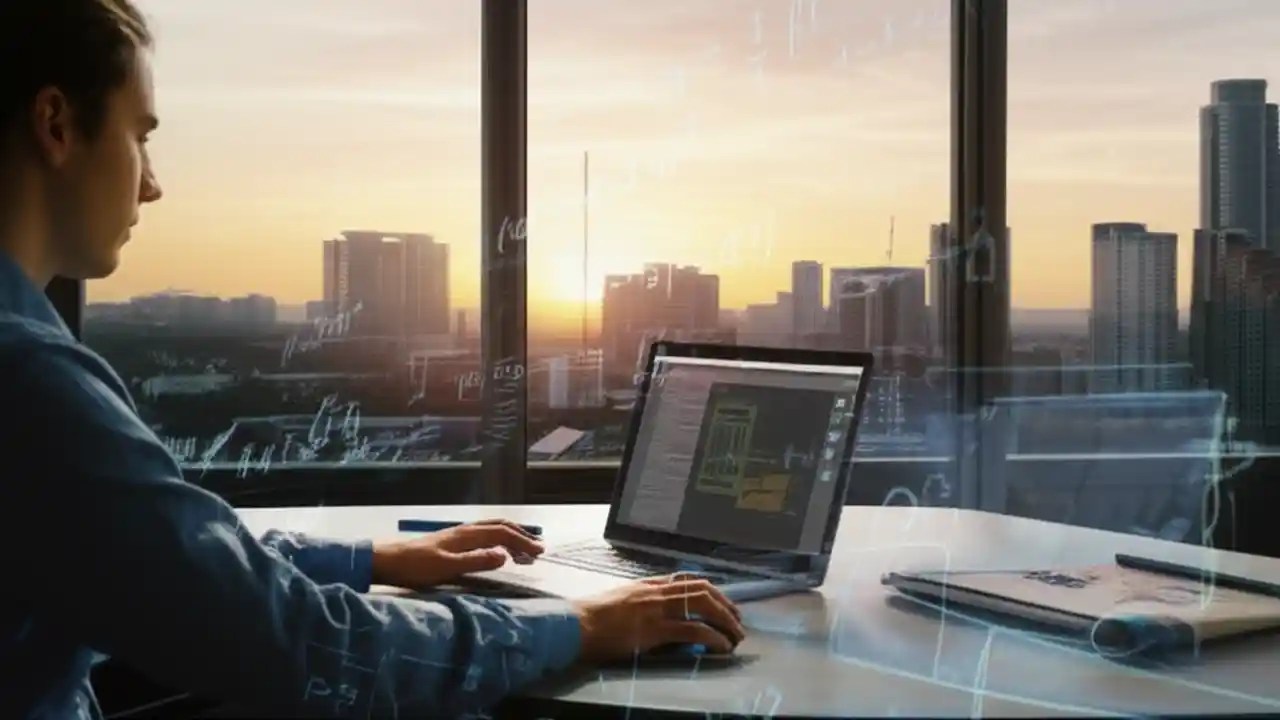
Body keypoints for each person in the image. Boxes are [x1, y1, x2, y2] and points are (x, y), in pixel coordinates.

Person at [0, 1, 746, 718]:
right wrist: (581, 628)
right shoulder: (31, 382)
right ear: (56, 124)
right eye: (142, 136)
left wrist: (373, 562)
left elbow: (170, 561)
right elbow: (304, 646)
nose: (154, 184)